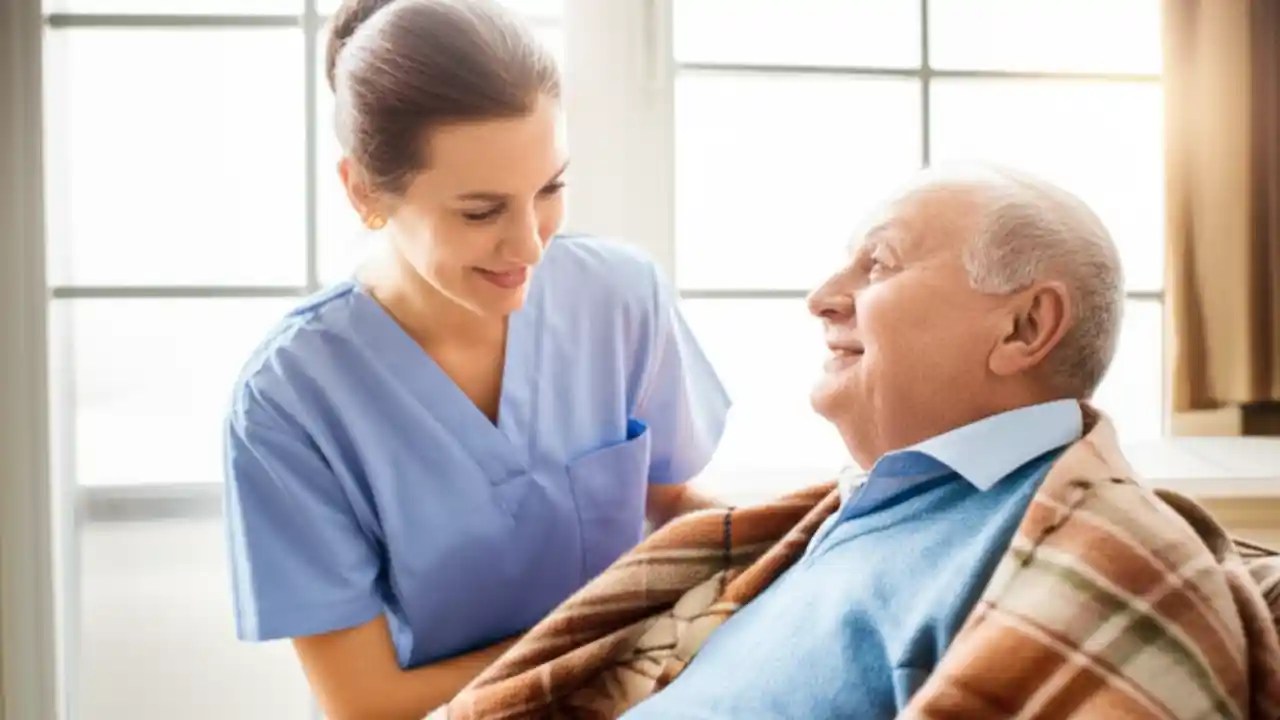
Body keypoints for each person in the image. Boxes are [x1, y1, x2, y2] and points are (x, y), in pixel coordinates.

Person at [614, 166, 1279, 717]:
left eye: (878, 264)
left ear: (1024, 327)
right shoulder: (874, 509)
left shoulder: (1095, 556)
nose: (821, 298)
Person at [220, 1, 729, 717]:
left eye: (550, 189)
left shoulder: (619, 295)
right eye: (481, 212)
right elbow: (364, 702)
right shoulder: (289, 401)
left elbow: (672, 506)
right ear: (364, 190)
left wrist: (801, 547)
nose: (529, 245)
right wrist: (613, 645)